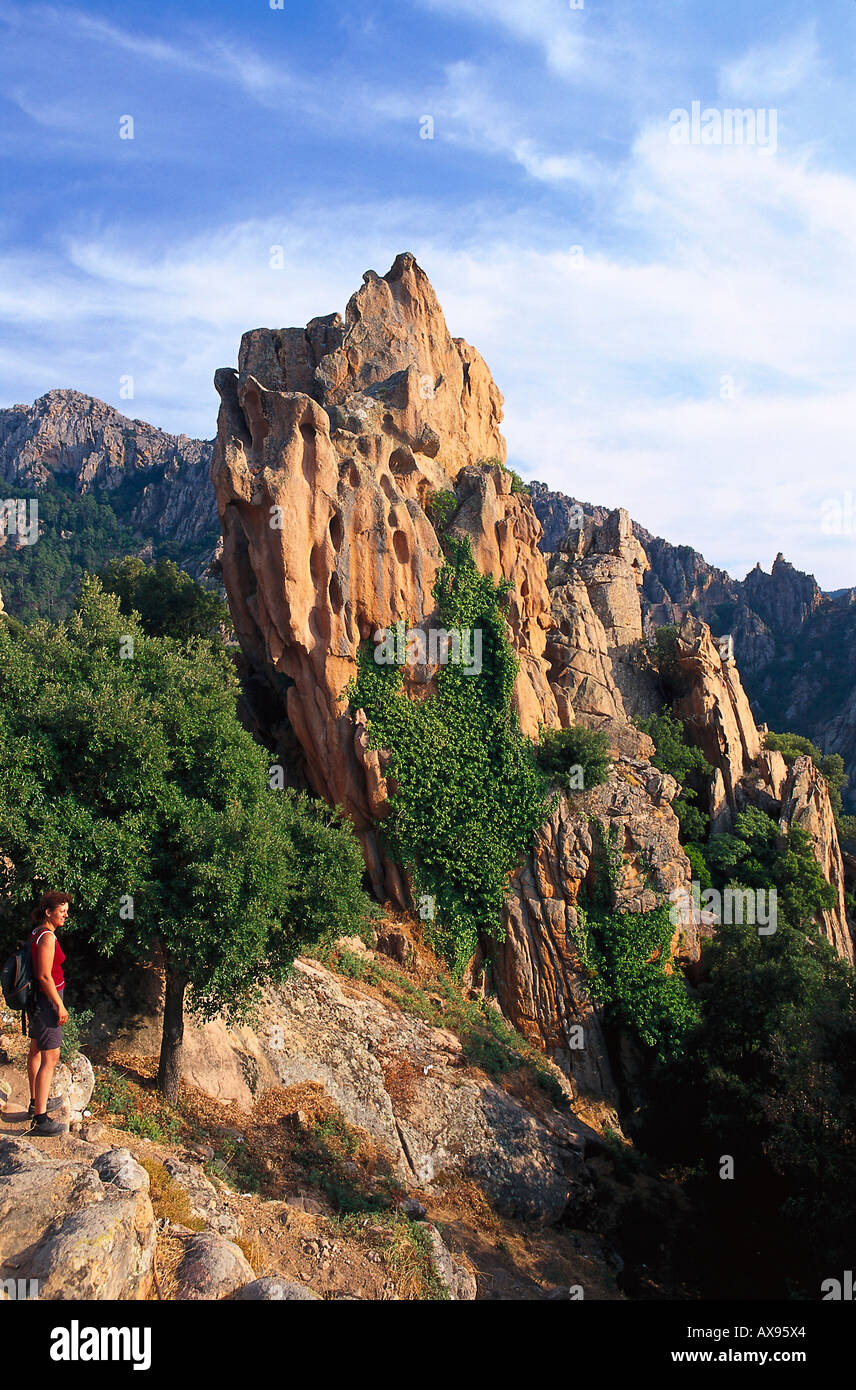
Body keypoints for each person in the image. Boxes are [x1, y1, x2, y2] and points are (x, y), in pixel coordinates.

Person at [27, 891, 71, 1136]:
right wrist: (59, 1005)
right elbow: (45, 976)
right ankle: (40, 1119)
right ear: (48, 912)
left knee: (35, 1050)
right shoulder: (47, 938)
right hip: (48, 1001)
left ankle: (35, 1101)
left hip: (39, 1001)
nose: (66, 914)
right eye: (61, 910)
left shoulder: (36, 932)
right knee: (50, 1059)